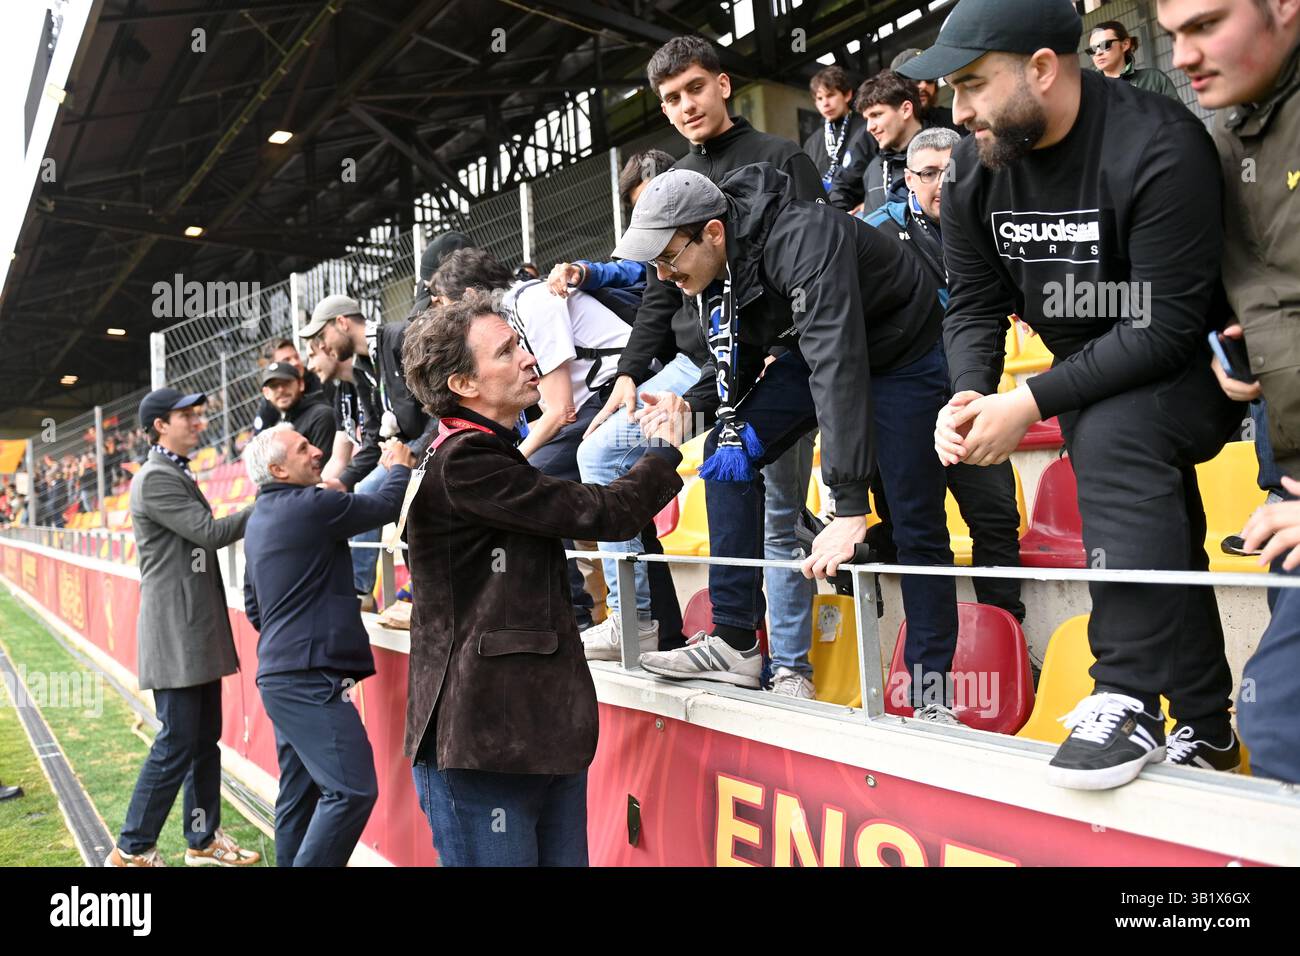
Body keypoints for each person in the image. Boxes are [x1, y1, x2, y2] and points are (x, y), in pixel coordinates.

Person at [901, 0, 1244, 789]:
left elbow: (1163, 327)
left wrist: (1028, 403)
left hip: (1195, 363)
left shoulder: (1158, 144)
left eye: (974, 85)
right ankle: (1205, 722)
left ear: (1044, 70)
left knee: (1117, 432)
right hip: (1089, 367)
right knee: (1151, 503)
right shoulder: (974, 168)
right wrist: (966, 395)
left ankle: (1124, 694)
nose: (958, 113)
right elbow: (978, 305)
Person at [615, 165, 960, 719]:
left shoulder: (803, 238)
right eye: (653, 263)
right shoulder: (713, 269)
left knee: (917, 521)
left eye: (668, 257)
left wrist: (848, 507)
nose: (662, 274)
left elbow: (839, 363)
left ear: (712, 232)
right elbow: (742, 358)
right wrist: (698, 403)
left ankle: (931, 695)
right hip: (820, 355)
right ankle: (735, 642)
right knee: (727, 450)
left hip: (901, 355)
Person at [399, 290, 684, 866]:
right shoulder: (464, 462)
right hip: (484, 751)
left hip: (529, 740)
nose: (531, 359)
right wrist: (659, 453)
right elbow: (599, 513)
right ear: (464, 385)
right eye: (507, 352)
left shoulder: (479, 455)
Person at [582, 36, 825, 677]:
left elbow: (815, 273)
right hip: (708, 364)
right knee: (632, 457)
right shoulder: (665, 188)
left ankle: (792, 668)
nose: (686, 105)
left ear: (723, 84)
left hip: (777, 361)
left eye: (694, 88)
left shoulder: (781, 158)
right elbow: (660, 297)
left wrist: (781, 356)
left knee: (775, 514)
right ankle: (681, 628)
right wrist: (631, 372)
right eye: (670, 98)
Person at [1158, 0, 1300, 783]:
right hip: (1280, 454)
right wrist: (1233, 343)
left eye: (1206, 24)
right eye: (1172, 32)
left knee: (1281, 721)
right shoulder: (1223, 133)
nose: (1182, 54)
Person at [863, 127, 1026, 623]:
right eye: (930, 173)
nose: (942, 183)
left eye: (952, 171)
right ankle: (921, 650)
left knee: (996, 515)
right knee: (910, 526)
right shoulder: (874, 234)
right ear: (909, 178)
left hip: (970, 400)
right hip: (901, 409)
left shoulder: (993, 222)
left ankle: (1007, 633)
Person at [433, 246, 633, 630]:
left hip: (617, 392)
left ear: (472, 298)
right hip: (593, 402)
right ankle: (568, 613)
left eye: (452, 309)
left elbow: (561, 411)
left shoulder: (533, 300)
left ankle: (575, 617)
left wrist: (509, 463)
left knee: (523, 487)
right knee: (517, 487)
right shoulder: (511, 313)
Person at [241, 424, 413, 866]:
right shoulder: (310, 506)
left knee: (299, 796)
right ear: (278, 469)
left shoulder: (260, 517)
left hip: (280, 676)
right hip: (306, 679)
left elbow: (255, 607)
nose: (316, 452)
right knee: (351, 790)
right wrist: (396, 466)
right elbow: (385, 504)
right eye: (303, 449)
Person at [106, 388, 260, 867]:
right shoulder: (155, 479)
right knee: (176, 742)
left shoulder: (170, 471)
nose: (197, 422)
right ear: (159, 426)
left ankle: (202, 840)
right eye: (186, 416)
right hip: (177, 636)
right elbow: (210, 534)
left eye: (196, 414)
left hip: (192, 632)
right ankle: (131, 849)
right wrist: (275, 498)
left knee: (201, 741)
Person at [301, 294, 433, 610]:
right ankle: (388, 593)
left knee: (377, 489)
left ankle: (363, 592)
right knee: (367, 489)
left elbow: (439, 406)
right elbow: (373, 438)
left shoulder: (399, 337)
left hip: (434, 447)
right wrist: (342, 482)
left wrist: (412, 452)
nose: (322, 347)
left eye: (322, 337)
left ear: (343, 322)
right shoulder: (362, 368)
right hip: (403, 455)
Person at [829, 71, 927, 213]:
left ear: (906, 110)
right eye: (867, 118)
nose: (869, 127)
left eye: (876, 115)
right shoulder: (872, 170)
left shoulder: (945, 158)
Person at [256, 362, 336, 468]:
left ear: (301, 384)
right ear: (266, 393)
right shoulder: (278, 423)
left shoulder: (321, 416)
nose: (281, 389)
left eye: (286, 383)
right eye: (274, 386)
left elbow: (324, 468)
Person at [802, 65, 864, 191]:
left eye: (830, 95)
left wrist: (866, 203)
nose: (825, 104)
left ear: (847, 95)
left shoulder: (866, 128)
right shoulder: (812, 143)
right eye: (819, 98)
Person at [1087, 20, 1181, 100]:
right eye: (1092, 49)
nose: (1098, 53)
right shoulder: (1088, 92)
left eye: (1105, 45)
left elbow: (1179, 118)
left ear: (1125, 44)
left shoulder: (1154, 80)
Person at [252, 339, 328, 434]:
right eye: (286, 360)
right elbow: (259, 437)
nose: (295, 363)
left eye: (296, 357)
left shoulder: (320, 380)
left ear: (301, 385)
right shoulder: (272, 400)